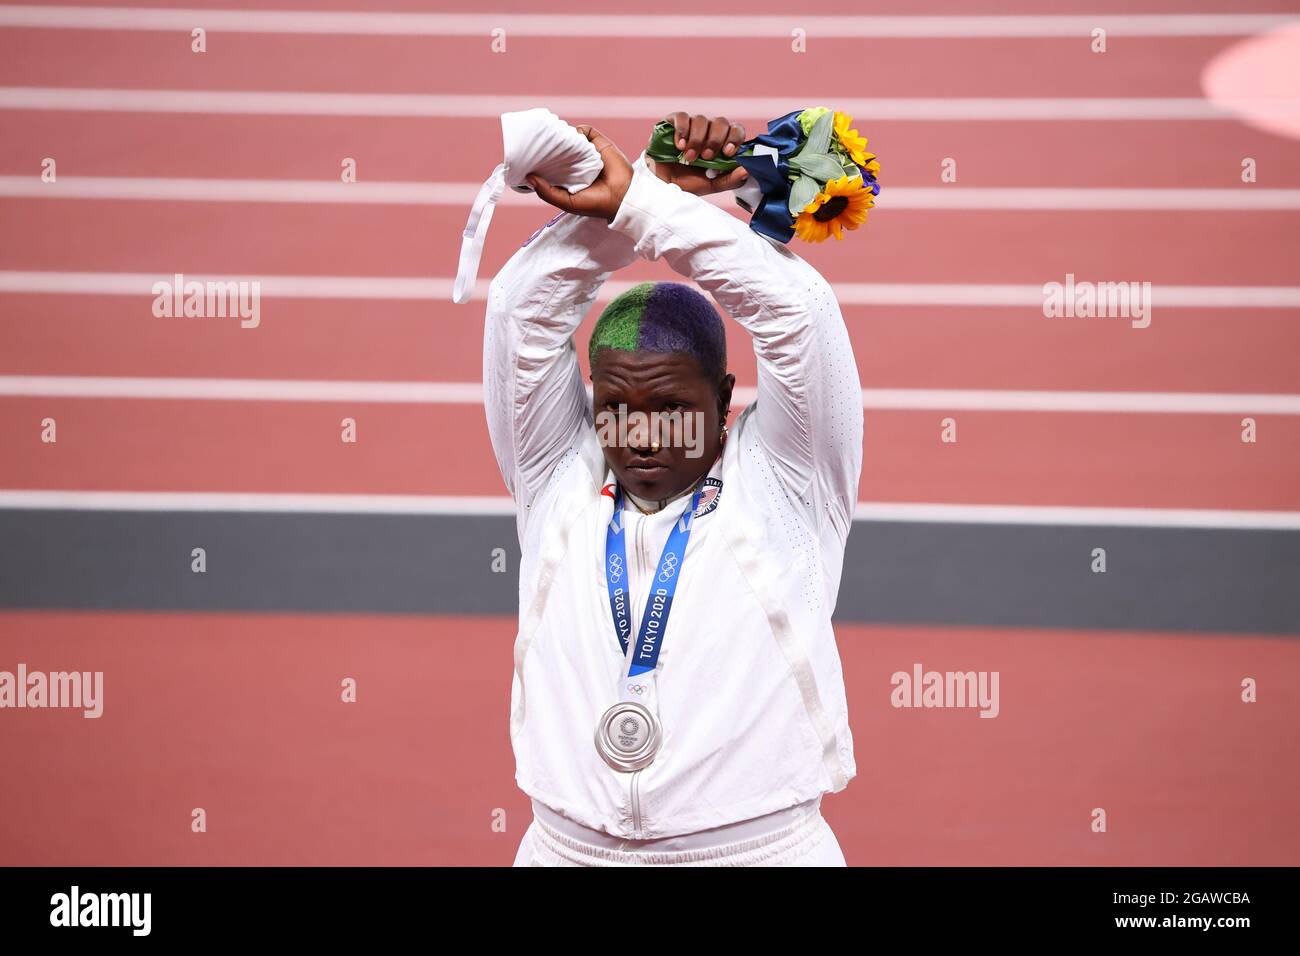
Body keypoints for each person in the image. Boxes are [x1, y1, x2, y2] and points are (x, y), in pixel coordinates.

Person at [482, 112, 864, 866]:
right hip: (565, 851)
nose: (643, 437)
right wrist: (641, 196)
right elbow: (519, 311)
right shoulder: (557, 473)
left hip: (758, 853)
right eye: (616, 409)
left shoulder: (788, 477)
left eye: (671, 409)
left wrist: (656, 211)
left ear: (725, 399)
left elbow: (799, 315)